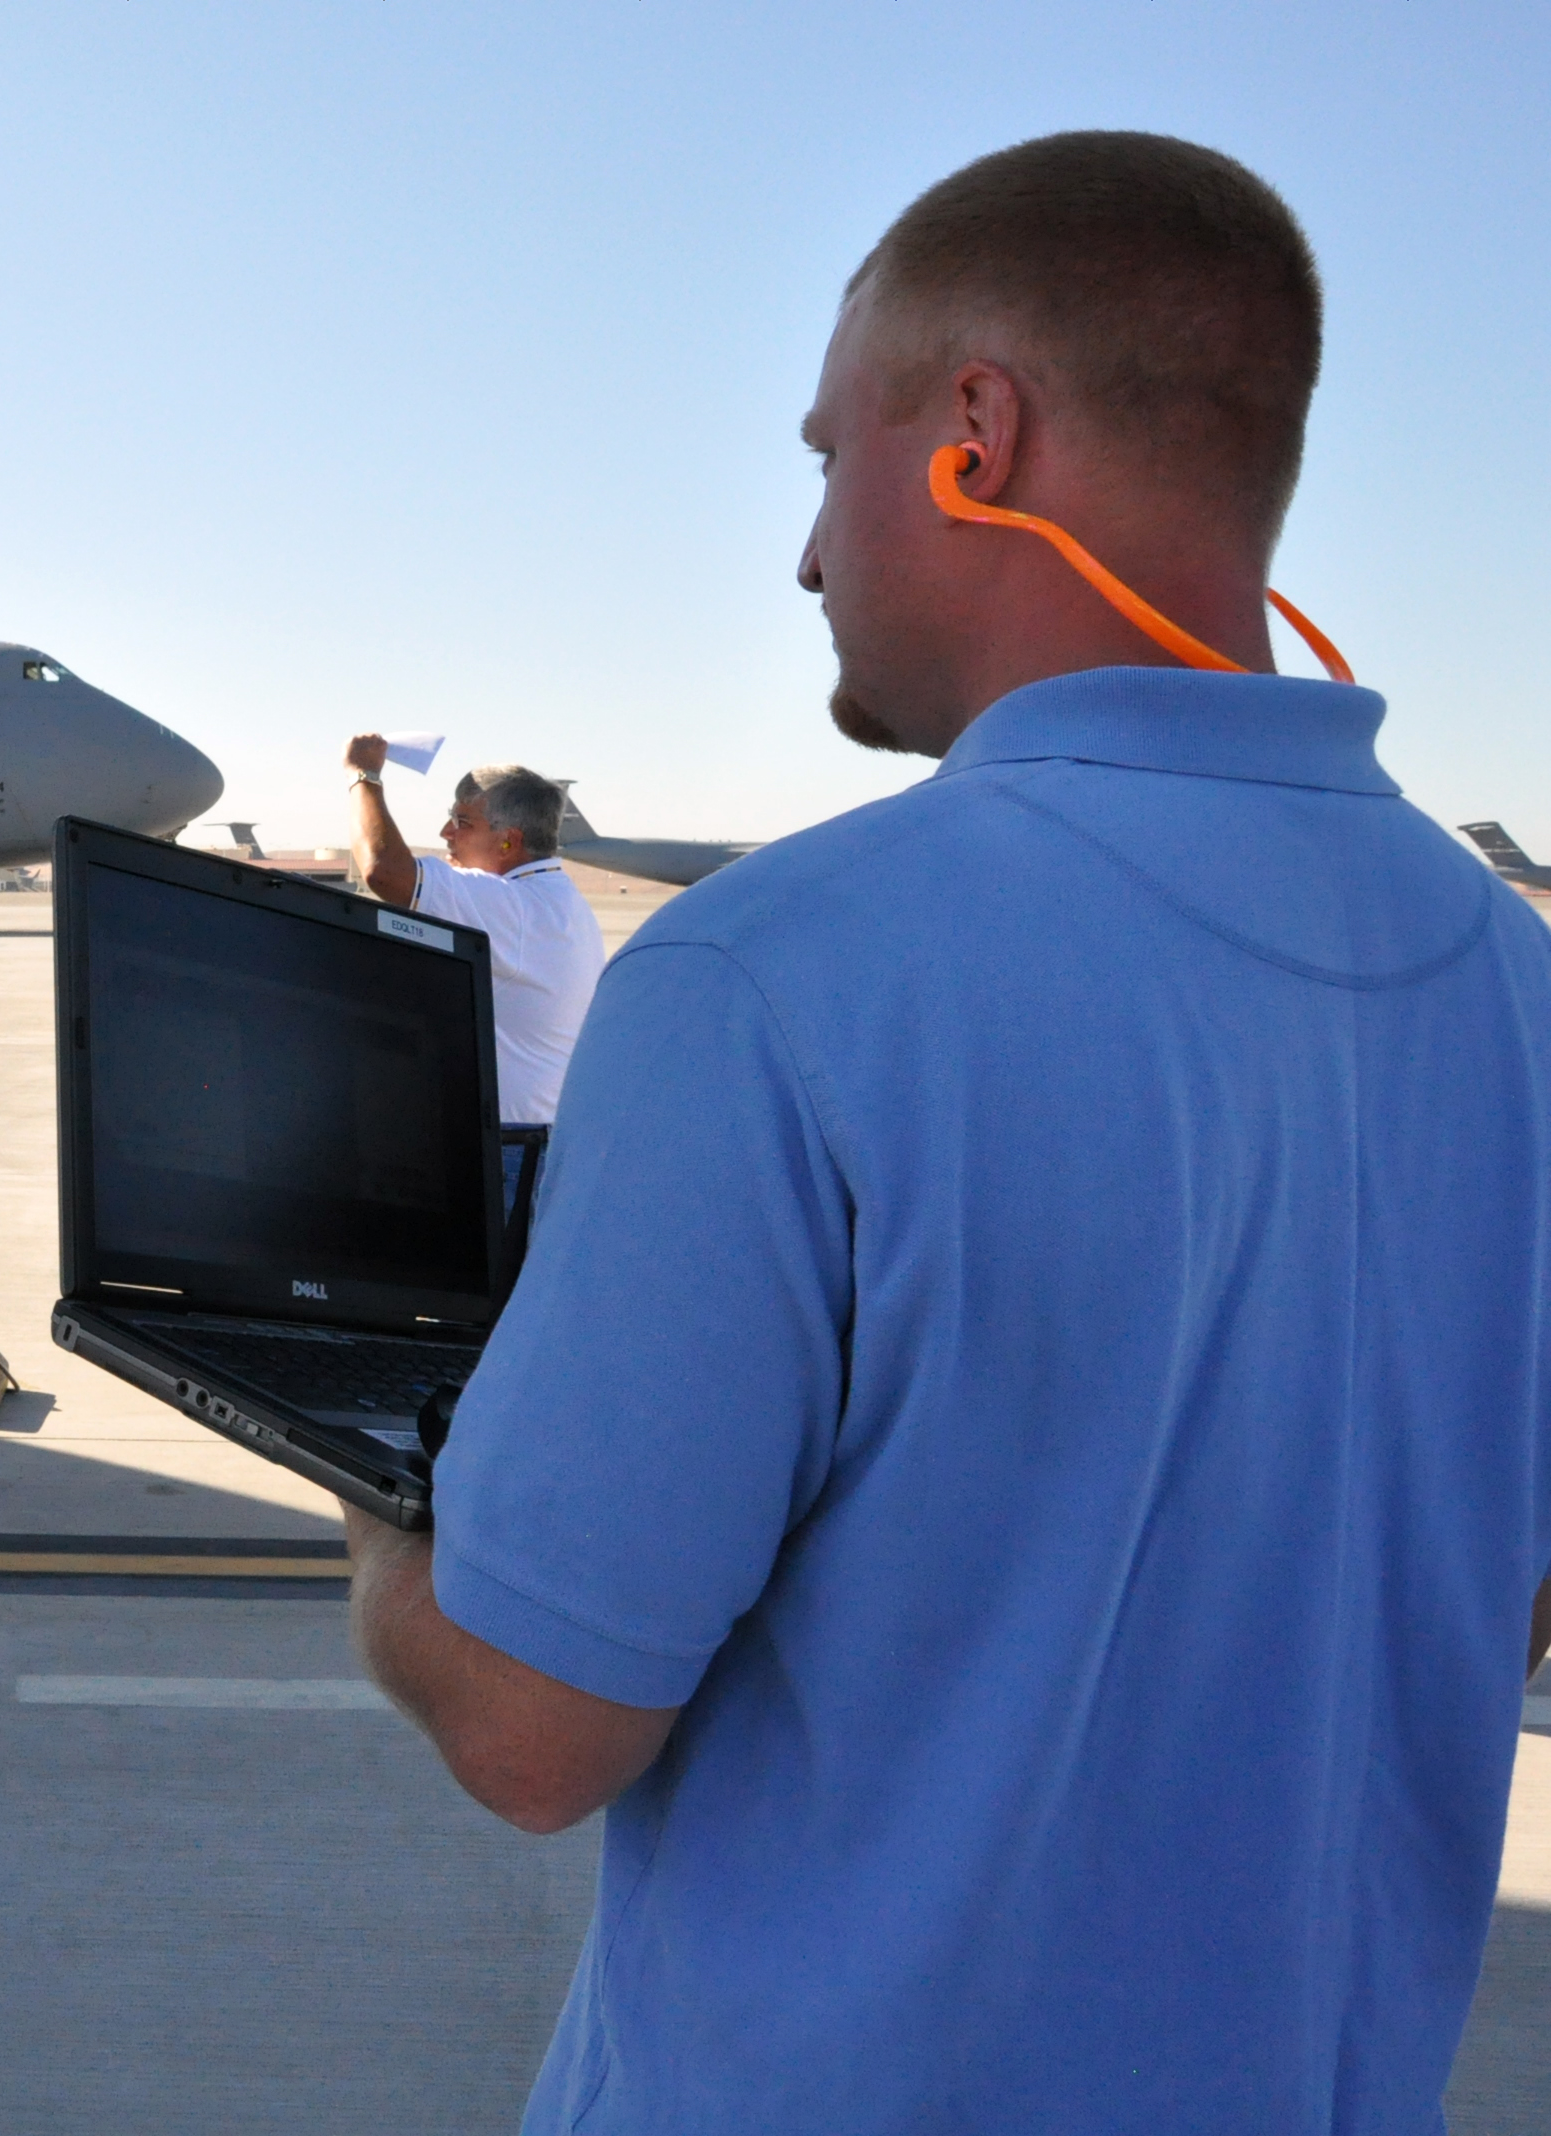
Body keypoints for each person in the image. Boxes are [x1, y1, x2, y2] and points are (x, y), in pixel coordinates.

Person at [345, 132, 1551, 2129]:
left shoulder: (775, 982)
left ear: (976, 436)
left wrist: (383, 1487)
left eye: (829, 459)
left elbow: (531, 1735)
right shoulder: (1517, 991)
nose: (811, 550)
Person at [343, 750, 604, 1137]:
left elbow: (384, 870)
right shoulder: (558, 901)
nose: (446, 833)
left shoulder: (513, 907)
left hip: (509, 1149)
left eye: (461, 821)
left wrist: (363, 775)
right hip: (542, 1140)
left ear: (508, 842)